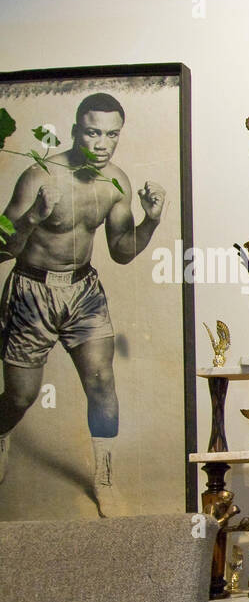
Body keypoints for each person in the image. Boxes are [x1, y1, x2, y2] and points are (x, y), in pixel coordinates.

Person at [0, 93, 165, 513]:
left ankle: (104, 479)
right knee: (20, 397)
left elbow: (122, 252)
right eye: (93, 132)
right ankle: (2, 433)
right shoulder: (39, 176)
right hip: (31, 289)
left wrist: (151, 220)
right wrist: (33, 218)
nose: (101, 144)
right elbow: (2, 250)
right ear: (76, 131)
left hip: (82, 291)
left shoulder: (117, 183)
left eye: (112, 135)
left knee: (101, 383)